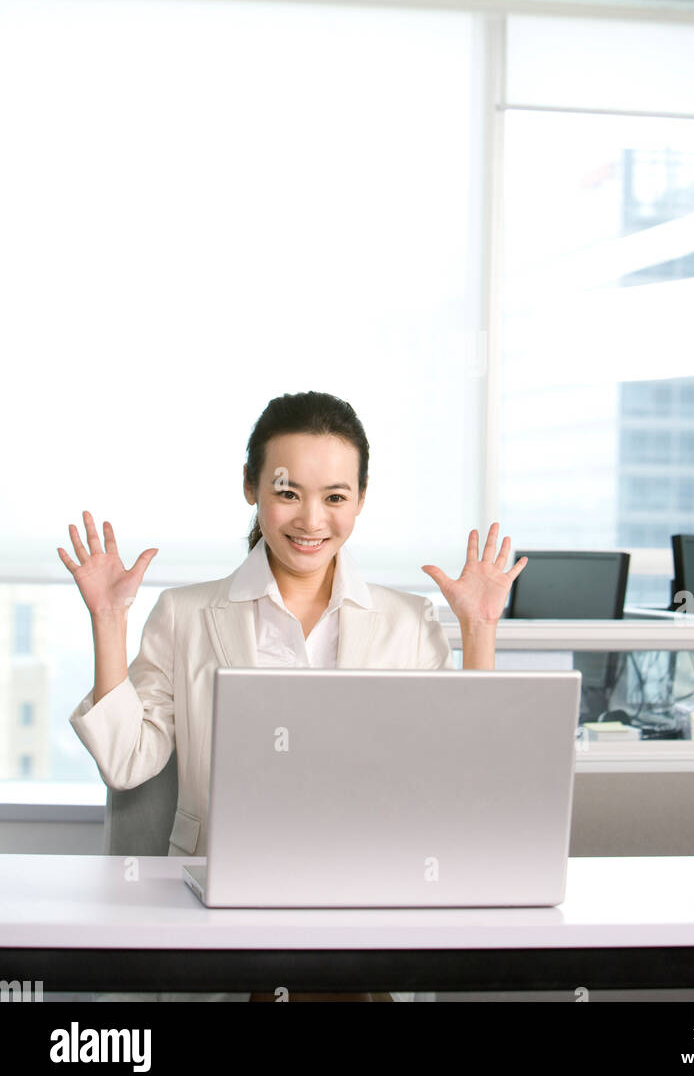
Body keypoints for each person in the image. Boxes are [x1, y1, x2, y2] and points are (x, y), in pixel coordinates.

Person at [60, 390, 528, 1002]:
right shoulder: (185, 613)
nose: (311, 520)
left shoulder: (406, 621)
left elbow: (461, 780)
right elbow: (126, 764)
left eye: (335, 496)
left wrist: (479, 634)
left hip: (365, 907)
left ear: (360, 500)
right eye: (287, 492)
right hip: (221, 906)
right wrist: (108, 620)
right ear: (250, 487)